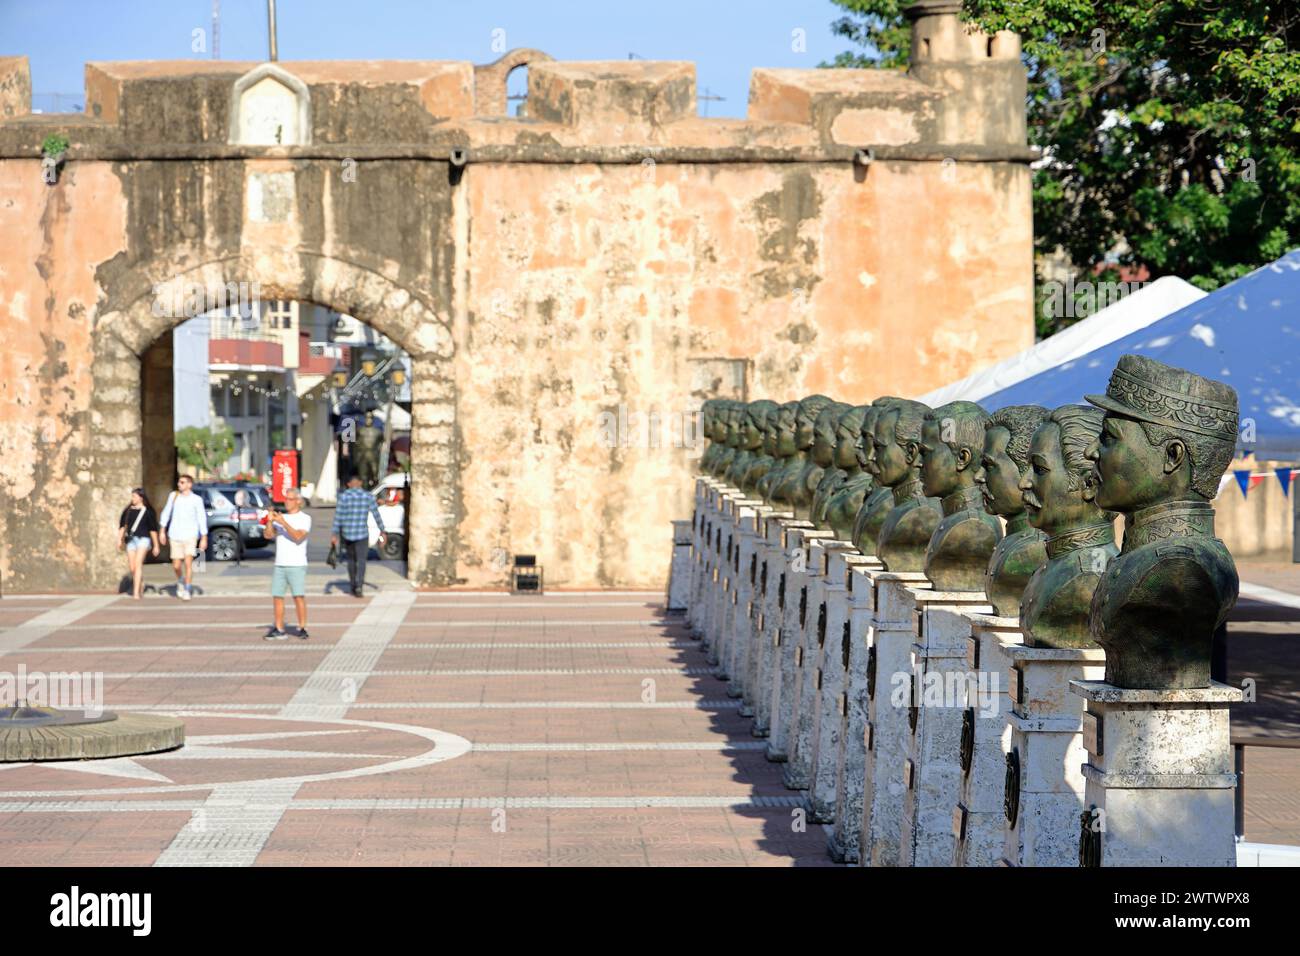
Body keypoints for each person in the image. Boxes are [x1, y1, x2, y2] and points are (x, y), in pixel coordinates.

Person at [264, 487, 312, 640]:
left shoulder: (304, 518)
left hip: (297, 563)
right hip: (280, 563)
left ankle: (302, 626)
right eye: (286, 499)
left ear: (298, 501)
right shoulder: (281, 517)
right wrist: (270, 521)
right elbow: (268, 535)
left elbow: (298, 536)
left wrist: (283, 522)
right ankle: (279, 628)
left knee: (298, 596)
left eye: (290, 499)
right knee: (277, 596)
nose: (286, 502)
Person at [331, 472, 386, 598]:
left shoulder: (343, 497)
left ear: (349, 484)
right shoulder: (368, 496)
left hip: (347, 533)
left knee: (351, 560)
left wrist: (334, 534)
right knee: (361, 561)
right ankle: (359, 585)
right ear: (360, 483)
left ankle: (352, 585)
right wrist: (382, 530)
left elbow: (338, 517)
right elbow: (376, 514)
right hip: (362, 533)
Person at [158, 475, 208, 601]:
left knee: (188, 563)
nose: (179, 484)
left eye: (182, 482)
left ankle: (187, 588)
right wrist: (162, 530)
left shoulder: (197, 500)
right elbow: (166, 512)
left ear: (189, 484)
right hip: (175, 534)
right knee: (176, 565)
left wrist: (204, 537)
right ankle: (181, 580)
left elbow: (201, 517)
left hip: (190, 535)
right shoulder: (173, 496)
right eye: (179, 482)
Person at [117, 488, 160, 600]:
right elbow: (122, 526)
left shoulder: (148, 511)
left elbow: (153, 529)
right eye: (132, 496)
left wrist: (156, 545)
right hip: (131, 540)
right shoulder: (128, 511)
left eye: (135, 496)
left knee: (138, 564)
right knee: (132, 568)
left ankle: (136, 592)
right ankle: (140, 584)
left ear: (141, 497)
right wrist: (119, 540)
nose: (133, 499)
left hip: (143, 539)